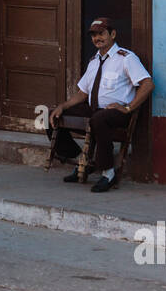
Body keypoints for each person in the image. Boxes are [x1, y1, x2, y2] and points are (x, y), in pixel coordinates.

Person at [51, 17, 153, 192]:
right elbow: (83, 93)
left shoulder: (126, 58)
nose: (97, 38)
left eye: (101, 33)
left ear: (112, 34)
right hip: (94, 110)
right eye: (94, 35)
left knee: (99, 119)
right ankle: (82, 161)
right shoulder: (93, 61)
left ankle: (108, 173)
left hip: (117, 113)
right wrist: (63, 106)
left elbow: (148, 83)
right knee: (50, 115)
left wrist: (128, 107)